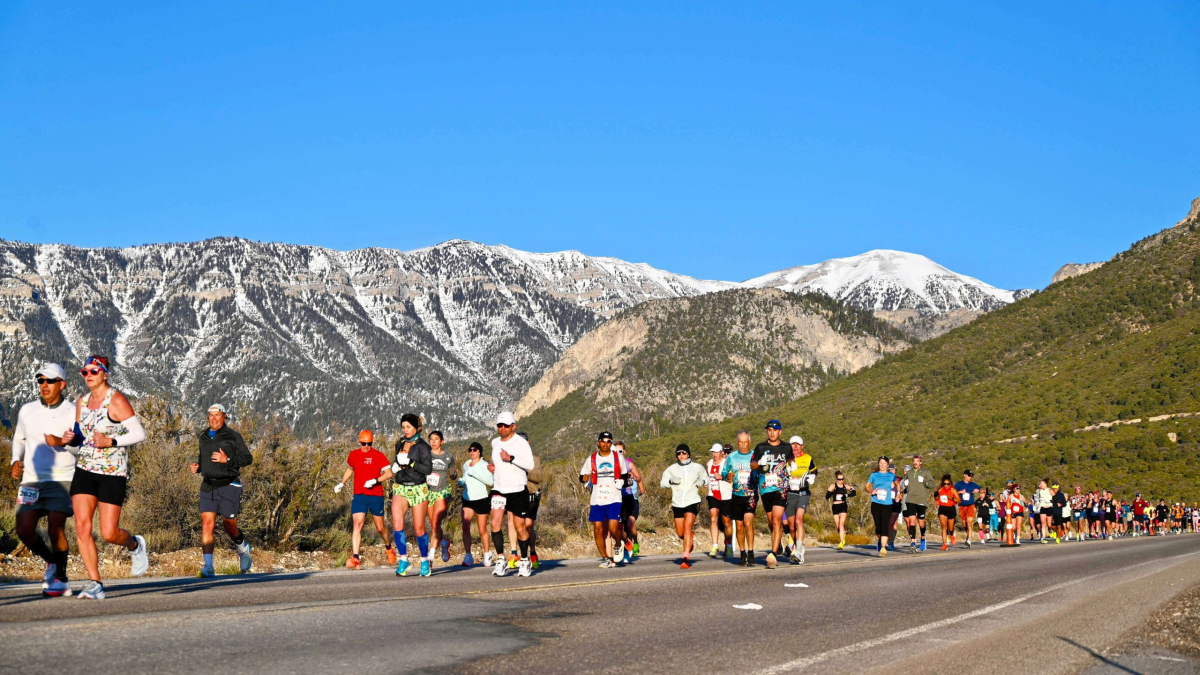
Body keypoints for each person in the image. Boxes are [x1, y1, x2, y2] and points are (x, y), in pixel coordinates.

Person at [59, 355, 149, 600]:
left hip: (112, 472)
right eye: (84, 371)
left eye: (94, 371)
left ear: (105, 374)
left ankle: (134, 544)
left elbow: (138, 433)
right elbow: (80, 438)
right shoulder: (83, 402)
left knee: (109, 533)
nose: (88, 375)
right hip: (85, 469)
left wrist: (112, 441)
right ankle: (95, 583)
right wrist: (69, 441)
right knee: (82, 527)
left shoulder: (116, 400)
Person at [10, 364, 76, 597]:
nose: (44, 385)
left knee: (56, 528)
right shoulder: (27, 410)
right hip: (31, 481)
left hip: (63, 479)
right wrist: (15, 460)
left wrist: (62, 442)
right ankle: (51, 561)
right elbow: (19, 439)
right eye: (40, 380)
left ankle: (62, 579)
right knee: (24, 530)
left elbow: (83, 447)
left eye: (49, 380)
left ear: (62, 384)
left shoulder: (73, 411)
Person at [190, 404, 254, 577]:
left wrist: (228, 459)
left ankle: (243, 549)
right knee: (207, 525)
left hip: (229, 486)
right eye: (211, 416)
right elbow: (204, 459)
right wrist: (198, 467)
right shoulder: (203, 436)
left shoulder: (233, 436)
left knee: (229, 526)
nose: (214, 419)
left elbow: (248, 458)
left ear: (224, 416)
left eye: (217, 415)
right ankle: (209, 567)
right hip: (208, 486)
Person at [375, 413, 433, 577]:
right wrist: (395, 467)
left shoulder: (423, 446)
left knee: (419, 528)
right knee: (397, 523)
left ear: (416, 427)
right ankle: (404, 559)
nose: (405, 430)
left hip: (418, 488)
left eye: (408, 427)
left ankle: (424, 561)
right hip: (400, 486)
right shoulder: (399, 444)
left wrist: (412, 463)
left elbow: (427, 469)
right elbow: (398, 462)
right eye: (403, 427)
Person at [334, 429, 395, 569]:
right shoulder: (353, 455)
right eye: (363, 443)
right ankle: (356, 558)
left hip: (375, 495)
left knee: (380, 528)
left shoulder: (378, 455)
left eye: (369, 443)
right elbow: (350, 469)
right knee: (357, 524)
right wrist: (342, 483)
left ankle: (388, 547)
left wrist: (375, 480)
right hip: (359, 495)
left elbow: (389, 473)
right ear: (359, 442)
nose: (366, 446)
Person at [488, 412, 536, 577]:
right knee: (495, 523)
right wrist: (493, 467)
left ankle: (524, 560)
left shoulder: (521, 443)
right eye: (499, 426)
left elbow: (530, 465)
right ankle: (501, 559)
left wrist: (511, 458)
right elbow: (497, 462)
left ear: (513, 426)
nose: (502, 428)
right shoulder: (495, 442)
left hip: (516, 490)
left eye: (506, 426)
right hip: (499, 489)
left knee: (519, 527)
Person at [580, 431, 628, 569]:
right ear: (598, 443)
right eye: (603, 441)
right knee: (597, 530)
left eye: (608, 441)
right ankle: (606, 558)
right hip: (597, 499)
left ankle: (618, 544)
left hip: (614, 497)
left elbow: (624, 475)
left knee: (613, 528)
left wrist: (621, 482)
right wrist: (584, 479)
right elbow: (583, 476)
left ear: (611, 443)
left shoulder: (618, 458)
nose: (605, 444)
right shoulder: (592, 459)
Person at [751, 420, 792, 569]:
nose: (772, 432)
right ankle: (778, 543)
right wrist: (760, 462)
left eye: (775, 430)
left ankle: (773, 555)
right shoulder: (761, 447)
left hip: (780, 488)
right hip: (765, 488)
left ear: (780, 432)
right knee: (771, 522)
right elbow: (752, 464)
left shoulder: (786, 447)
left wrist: (792, 467)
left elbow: (791, 461)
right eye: (769, 430)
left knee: (776, 520)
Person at [660, 444, 708, 569]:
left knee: (687, 527)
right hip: (677, 503)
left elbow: (706, 479)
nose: (681, 456)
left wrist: (702, 482)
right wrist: (670, 482)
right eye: (678, 453)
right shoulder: (671, 469)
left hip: (692, 501)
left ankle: (685, 558)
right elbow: (663, 483)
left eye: (684, 453)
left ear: (688, 454)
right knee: (681, 533)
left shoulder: (697, 467)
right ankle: (689, 538)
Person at [722, 431, 758, 566]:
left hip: (751, 494)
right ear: (737, 443)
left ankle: (751, 552)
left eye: (745, 442)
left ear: (749, 442)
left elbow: (762, 470)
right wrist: (728, 476)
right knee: (739, 525)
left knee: (748, 523)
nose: (743, 445)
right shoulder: (731, 457)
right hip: (737, 494)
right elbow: (725, 472)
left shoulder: (755, 455)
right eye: (740, 443)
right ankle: (742, 553)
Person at [457, 442, 493, 567]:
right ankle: (468, 555)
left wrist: (474, 473)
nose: (472, 452)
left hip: (481, 499)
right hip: (468, 499)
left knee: (482, 529)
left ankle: (487, 554)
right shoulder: (466, 464)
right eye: (470, 449)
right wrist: (461, 481)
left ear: (479, 452)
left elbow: (490, 482)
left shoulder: (485, 465)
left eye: (474, 449)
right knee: (465, 527)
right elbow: (465, 478)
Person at [782, 434, 817, 564]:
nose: (795, 447)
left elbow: (814, 469)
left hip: (803, 493)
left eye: (797, 444)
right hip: (790, 494)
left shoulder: (808, 458)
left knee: (798, 520)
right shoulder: (786, 459)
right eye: (792, 444)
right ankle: (798, 547)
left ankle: (799, 551)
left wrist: (812, 477)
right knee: (791, 526)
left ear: (802, 446)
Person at [425, 431, 458, 564]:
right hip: (429, 492)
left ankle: (430, 557)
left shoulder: (448, 457)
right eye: (431, 439)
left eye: (436, 439)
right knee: (433, 525)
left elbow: (453, 472)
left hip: (443, 491)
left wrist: (454, 474)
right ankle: (444, 542)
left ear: (442, 441)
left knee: (435, 522)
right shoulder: (426, 455)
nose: (433, 442)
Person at [705, 443, 734, 558]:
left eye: (716, 452)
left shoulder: (727, 463)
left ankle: (729, 545)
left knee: (726, 522)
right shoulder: (709, 464)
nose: (714, 454)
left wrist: (722, 477)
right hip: (713, 494)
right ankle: (715, 545)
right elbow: (708, 476)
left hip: (726, 495)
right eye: (713, 452)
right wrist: (707, 483)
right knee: (713, 518)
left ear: (722, 452)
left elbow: (732, 477)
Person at [902, 455, 935, 553]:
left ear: (921, 462)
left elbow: (932, 484)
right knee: (912, 521)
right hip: (910, 500)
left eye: (917, 461)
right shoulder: (909, 473)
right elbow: (905, 487)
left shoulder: (926, 472)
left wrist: (924, 481)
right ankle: (913, 543)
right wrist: (905, 484)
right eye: (914, 461)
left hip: (921, 500)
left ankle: (923, 538)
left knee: (921, 523)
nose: (915, 462)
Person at [867, 457, 898, 557]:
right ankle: (880, 540)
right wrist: (871, 491)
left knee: (885, 526)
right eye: (880, 463)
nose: (882, 465)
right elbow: (866, 486)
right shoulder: (874, 475)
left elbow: (897, 484)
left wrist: (899, 494)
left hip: (887, 504)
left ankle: (883, 548)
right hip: (876, 503)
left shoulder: (891, 475)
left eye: (884, 463)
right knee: (878, 527)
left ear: (887, 465)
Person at [824, 471, 856, 550]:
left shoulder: (846, 486)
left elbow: (854, 492)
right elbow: (827, 497)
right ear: (836, 479)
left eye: (842, 479)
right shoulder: (833, 486)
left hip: (843, 506)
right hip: (835, 506)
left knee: (841, 524)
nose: (841, 481)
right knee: (838, 526)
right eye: (839, 479)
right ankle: (843, 535)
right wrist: (831, 491)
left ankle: (841, 542)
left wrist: (846, 495)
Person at [953, 470, 981, 548]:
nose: (970, 477)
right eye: (969, 475)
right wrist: (960, 492)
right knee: (964, 524)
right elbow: (952, 492)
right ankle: (968, 536)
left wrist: (978, 490)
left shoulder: (973, 484)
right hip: (962, 506)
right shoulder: (959, 484)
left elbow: (982, 490)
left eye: (971, 476)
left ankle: (969, 540)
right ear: (964, 475)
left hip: (970, 506)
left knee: (969, 522)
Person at [934, 475, 960, 550]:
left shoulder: (953, 490)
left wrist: (952, 498)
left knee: (951, 528)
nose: (946, 485)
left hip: (951, 509)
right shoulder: (940, 490)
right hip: (942, 509)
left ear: (950, 484)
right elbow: (936, 498)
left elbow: (959, 500)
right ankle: (944, 544)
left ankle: (952, 534)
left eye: (948, 484)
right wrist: (936, 499)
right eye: (945, 483)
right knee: (944, 527)